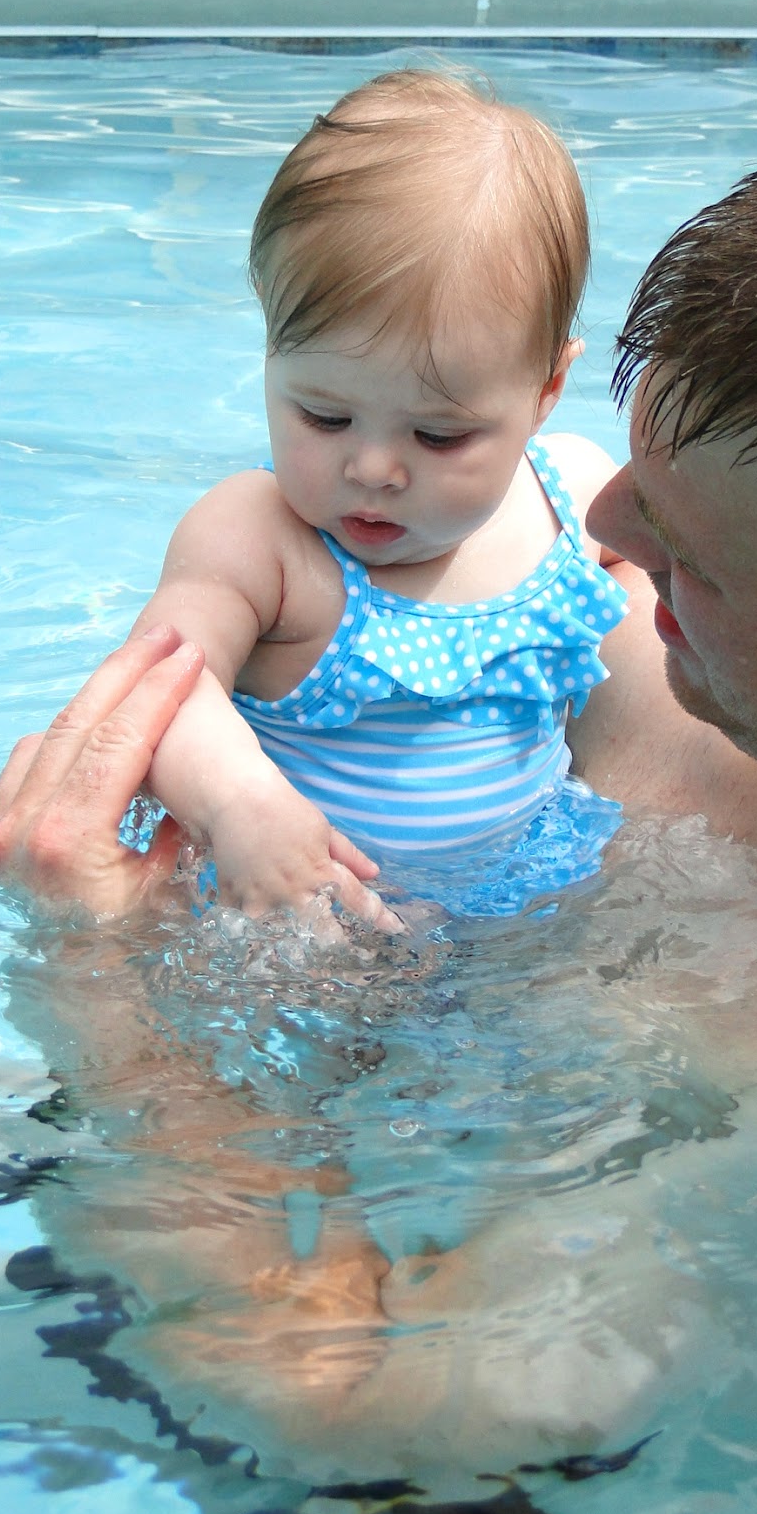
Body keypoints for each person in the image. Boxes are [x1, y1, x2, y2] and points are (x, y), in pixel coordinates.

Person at [0, 111, 757, 1476]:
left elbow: (354, 1423)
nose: (600, 533)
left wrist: (103, 1001)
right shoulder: (682, 660)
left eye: (690, 554)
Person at [119, 68, 626, 921]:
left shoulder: (568, 491)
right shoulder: (260, 538)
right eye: (324, 415)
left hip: (530, 902)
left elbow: (707, 562)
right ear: (271, 361)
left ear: (545, 392)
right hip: (321, 918)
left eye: (439, 435)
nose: (375, 468)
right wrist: (239, 802)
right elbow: (155, 686)